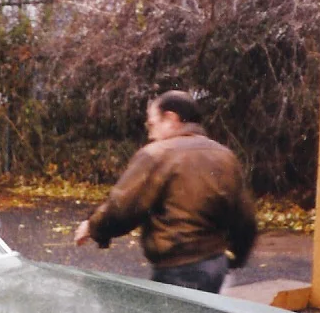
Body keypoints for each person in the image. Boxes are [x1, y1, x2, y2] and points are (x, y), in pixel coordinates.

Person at [73, 90, 257, 293]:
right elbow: (245, 218)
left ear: (170, 118)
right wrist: (236, 257)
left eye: (151, 124)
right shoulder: (225, 156)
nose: (150, 133)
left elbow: (123, 208)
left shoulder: (157, 155)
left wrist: (93, 226)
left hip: (178, 270)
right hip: (216, 266)